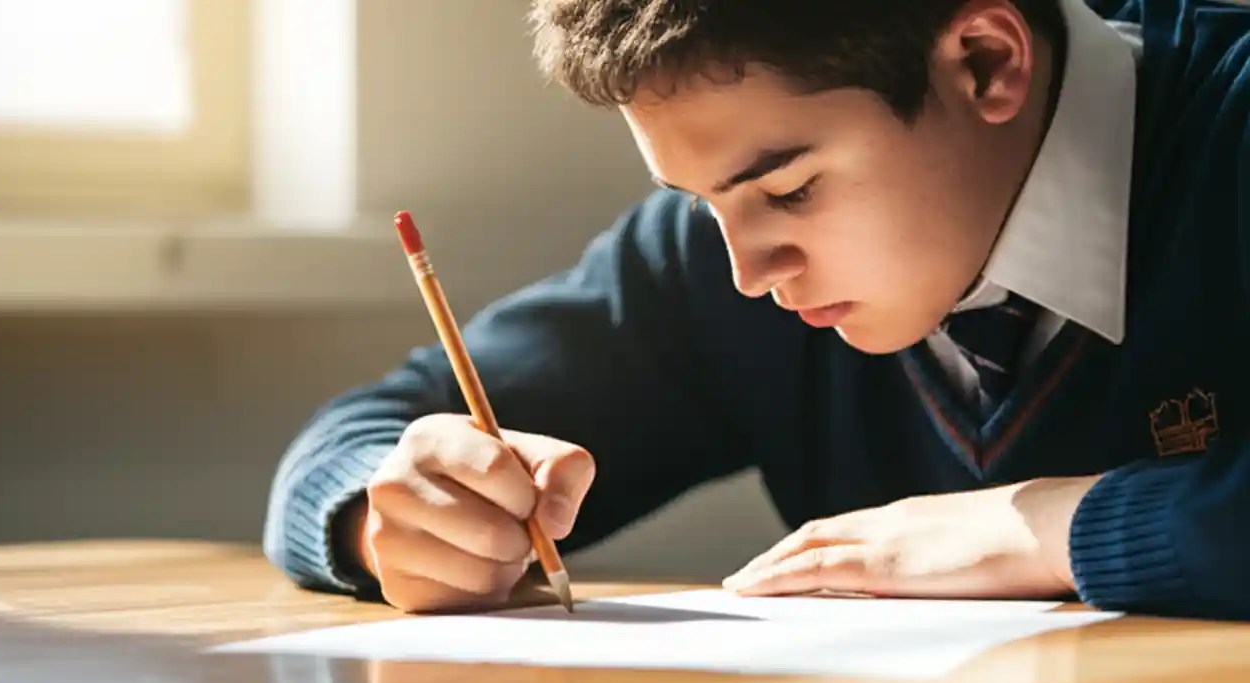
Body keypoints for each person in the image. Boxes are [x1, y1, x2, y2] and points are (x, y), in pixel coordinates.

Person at [263, 0, 1250, 619]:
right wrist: (382, 514)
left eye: (788, 191)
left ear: (984, 62)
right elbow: (358, 435)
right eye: (700, 203)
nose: (743, 272)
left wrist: (1049, 529)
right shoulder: (717, 259)